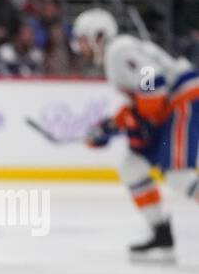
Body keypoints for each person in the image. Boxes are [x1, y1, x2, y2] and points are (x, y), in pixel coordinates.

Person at [85, 33, 199, 260]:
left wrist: (138, 115)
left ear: (96, 35)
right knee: (133, 167)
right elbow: (142, 99)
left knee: (179, 177)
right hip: (168, 108)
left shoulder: (118, 49)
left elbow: (152, 77)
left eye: (81, 40)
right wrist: (111, 125)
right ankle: (161, 233)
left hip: (184, 100)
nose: (79, 47)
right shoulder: (119, 52)